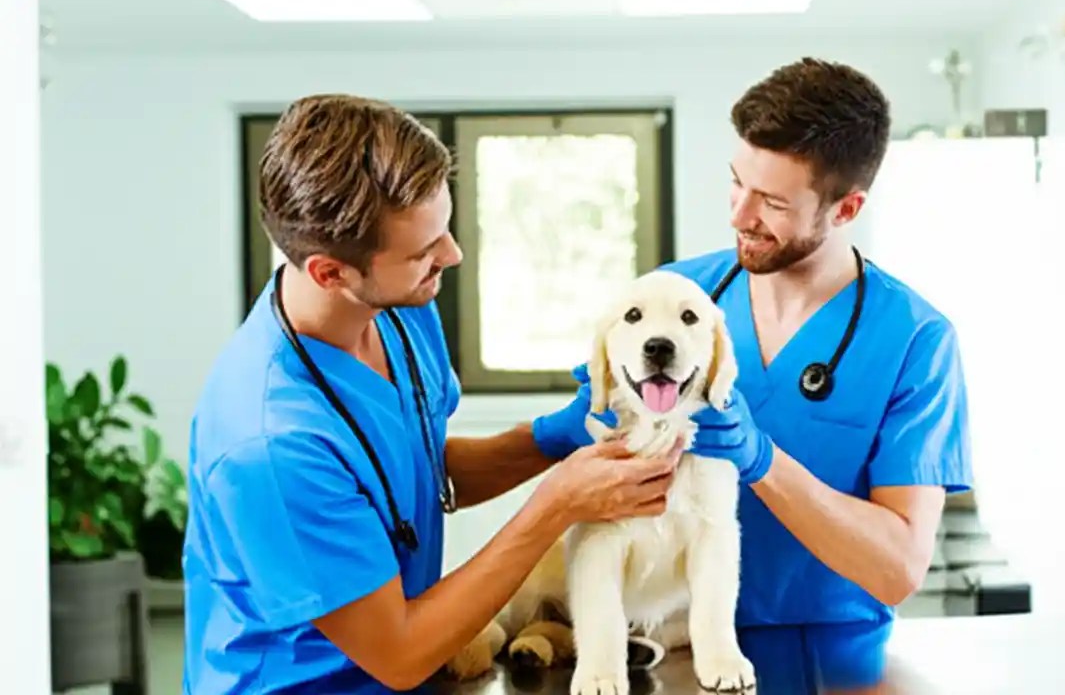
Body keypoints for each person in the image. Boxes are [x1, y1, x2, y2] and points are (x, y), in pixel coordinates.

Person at [181, 94, 685, 694]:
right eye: (424, 252)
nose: (453, 255)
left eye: (444, 229)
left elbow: (415, 474)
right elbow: (398, 653)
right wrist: (555, 505)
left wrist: (553, 436)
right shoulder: (267, 444)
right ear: (330, 273)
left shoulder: (397, 310)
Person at [531, 57, 973, 691]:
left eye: (771, 202)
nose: (740, 215)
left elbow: (898, 567)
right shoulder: (683, 301)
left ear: (846, 208)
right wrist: (554, 434)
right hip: (669, 646)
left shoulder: (916, 340)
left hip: (836, 658)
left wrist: (763, 460)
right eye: (737, 183)